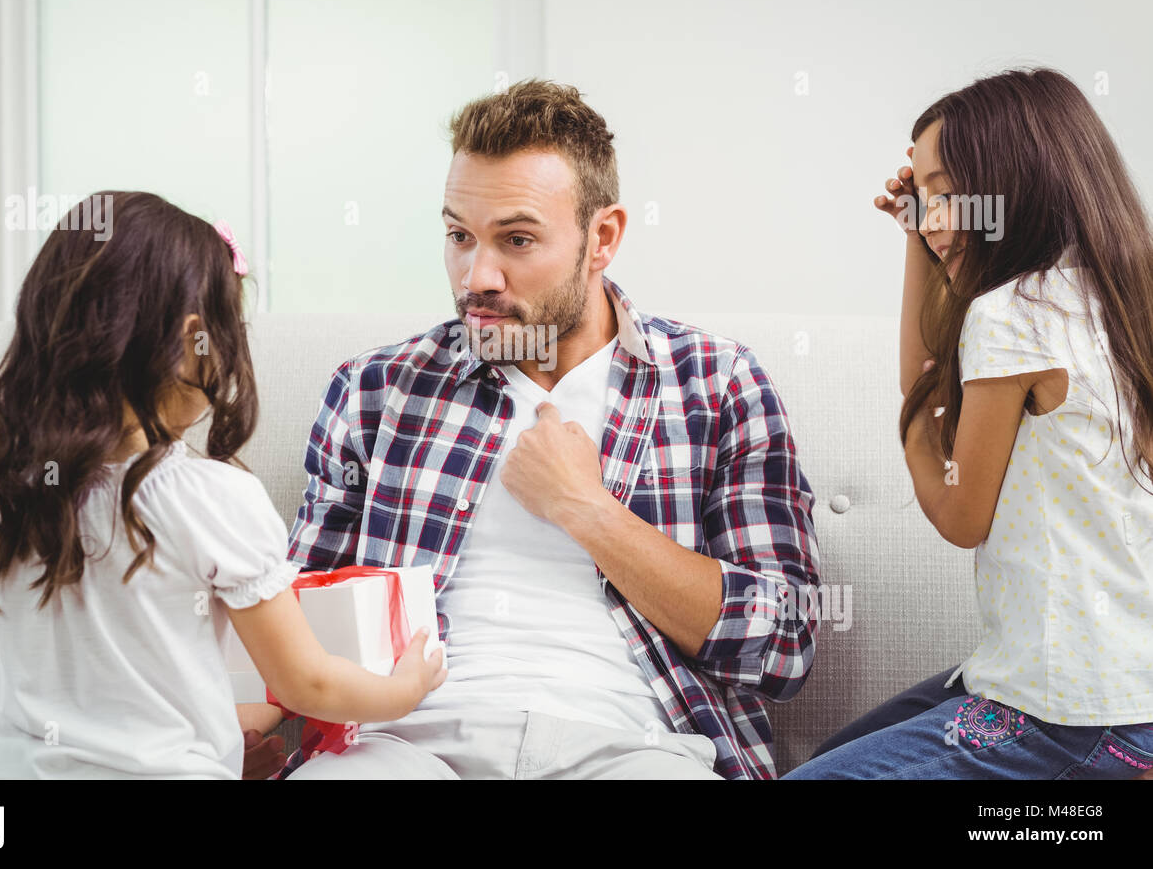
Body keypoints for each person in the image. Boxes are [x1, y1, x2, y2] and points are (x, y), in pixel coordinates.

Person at [252, 79, 821, 779]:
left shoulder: (716, 383)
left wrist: (588, 511)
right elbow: (290, 616)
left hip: (634, 747)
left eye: (516, 239)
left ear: (602, 236)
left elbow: (785, 643)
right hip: (405, 743)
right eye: (459, 236)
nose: (476, 275)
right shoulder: (377, 390)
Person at [0, 191, 445, 779]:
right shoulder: (210, 497)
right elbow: (304, 680)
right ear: (191, 342)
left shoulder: (20, 485)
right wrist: (404, 691)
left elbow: (106, 692)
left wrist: (222, 747)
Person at [783, 68, 1153, 779]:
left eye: (949, 195)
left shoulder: (1012, 313)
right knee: (833, 760)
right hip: (1118, 696)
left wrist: (910, 420)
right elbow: (933, 369)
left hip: (1067, 715)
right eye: (924, 198)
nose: (935, 218)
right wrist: (920, 238)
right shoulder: (1113, 294)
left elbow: (961, 516)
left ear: (1018, 181)